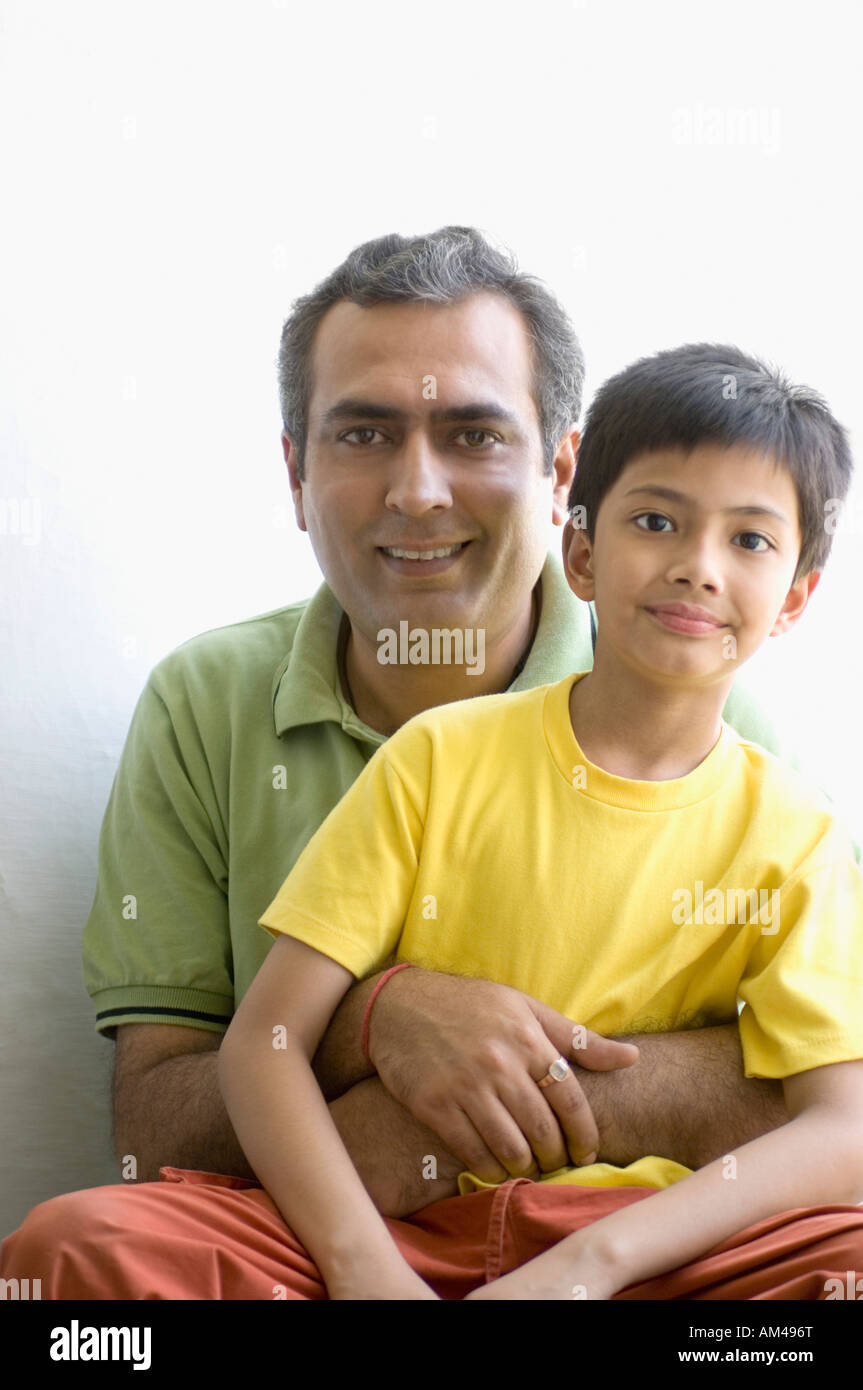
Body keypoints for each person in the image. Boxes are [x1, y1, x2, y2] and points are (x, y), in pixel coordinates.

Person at [0, 231, 824, 1298]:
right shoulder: (205, 704)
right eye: (364, 434)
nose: (419, 489)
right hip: (312, 1236)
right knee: (76, 1256)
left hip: (642, 1245)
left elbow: (807, 1103)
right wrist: (379, 1021)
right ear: (296, 474)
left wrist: (483, 1104)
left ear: (559, 474)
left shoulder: (723, 712)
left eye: (473, 432)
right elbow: (151, 1128)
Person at [219, 341, 863, 1301]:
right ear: (583, 554)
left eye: (749, 541)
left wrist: (588, 1266)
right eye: (656, 521)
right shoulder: (440, 757)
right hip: (386, 1225)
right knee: (85, 1242)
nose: (696, 568)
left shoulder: (794, 831)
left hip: (647, 1252)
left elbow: (842, 1125)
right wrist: (366, 1276)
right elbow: (260, 1049)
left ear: (795, 600)